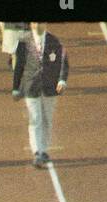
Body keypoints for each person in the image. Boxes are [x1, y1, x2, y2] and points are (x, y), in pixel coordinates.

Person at [12, 23, 68, 167]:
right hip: (31, 86)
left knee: (47, 119)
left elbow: (63, 62)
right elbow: (19, 65)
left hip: (50, 87)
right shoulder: (24, 41)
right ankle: (37, 151)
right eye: (35, 23)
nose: (37, 25)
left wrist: (62, 80)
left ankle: (43, 149)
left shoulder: (54, 41)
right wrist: (16, 87)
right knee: (35, 118)